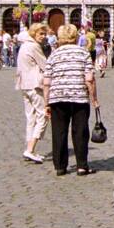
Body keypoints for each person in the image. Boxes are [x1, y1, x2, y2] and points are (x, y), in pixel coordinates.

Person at [42, 23, 99, 177]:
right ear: (75, 37)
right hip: (79, 97)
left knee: (59, 132)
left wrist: (46, 102)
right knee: (80, 131)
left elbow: (46, 81)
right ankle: (81, 166)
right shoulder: (83, 53)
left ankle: (60, 167)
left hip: (57, 97)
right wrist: (94, 99)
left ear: (60, 38)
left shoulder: (53, 55)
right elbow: (89, 79)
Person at [14, 23, 50, 164]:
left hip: (24, 85)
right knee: (43, 116)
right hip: (35, 85)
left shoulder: (24, 45)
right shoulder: (34, 46)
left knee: (31, 117)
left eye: (44, 34)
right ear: (34, 33)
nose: (43, 36)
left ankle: (30, 149)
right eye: (41, 34)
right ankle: (30, 149)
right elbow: (45, 65)